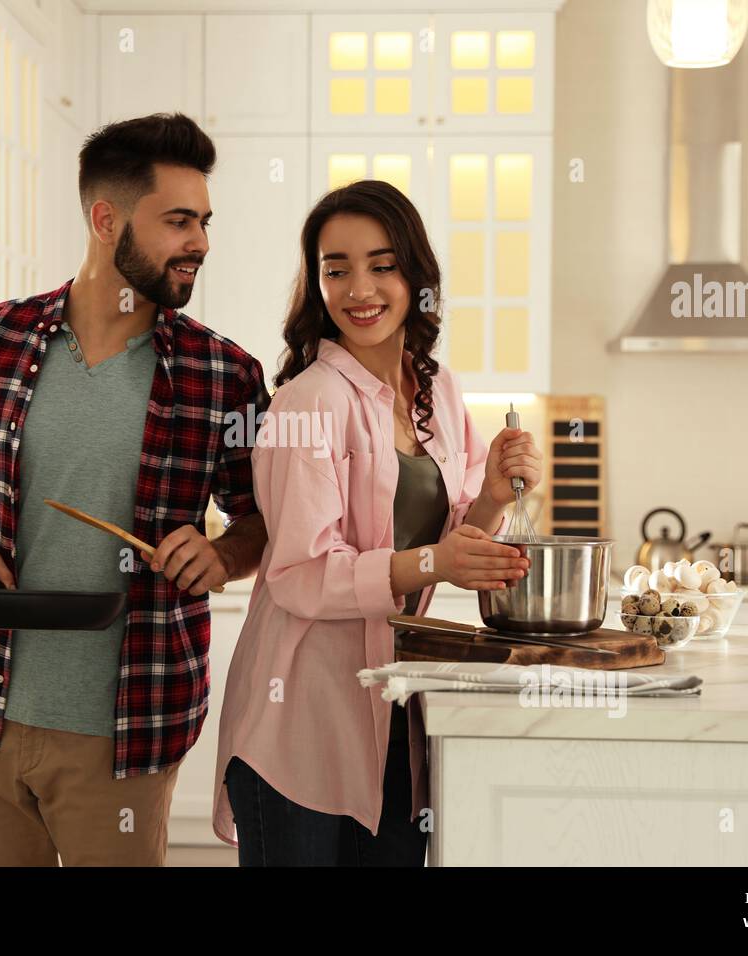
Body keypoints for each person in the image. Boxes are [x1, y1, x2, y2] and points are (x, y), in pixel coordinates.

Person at [0, 113, 269, 866]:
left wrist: (221, 557)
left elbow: (260, 519)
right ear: (106, 220)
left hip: (127, 731)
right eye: (178, 221)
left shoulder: (224, 374)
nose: (199, 241)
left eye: (203, 221)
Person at [212, 179, 543, 866]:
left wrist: (490, 498)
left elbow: (448, 533)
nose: (359, 288)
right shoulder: (307, 402)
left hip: (393, 708)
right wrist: (437, 564)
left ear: (416, 276)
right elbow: (303, 573)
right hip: (299, 720)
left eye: (382, 265)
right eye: (337, 269)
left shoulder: (437, 389)